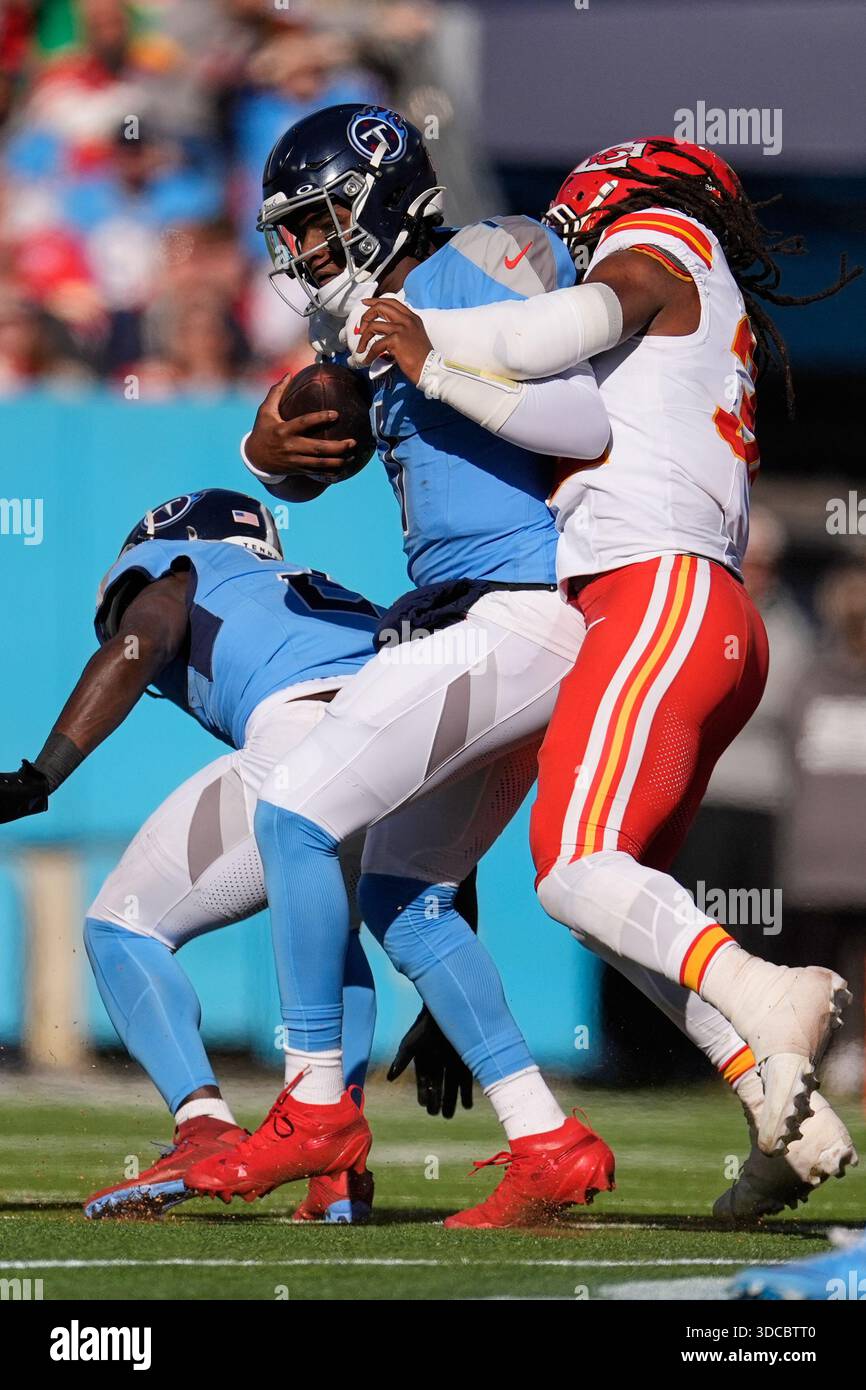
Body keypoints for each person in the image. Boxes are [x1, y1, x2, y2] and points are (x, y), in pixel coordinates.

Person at [349, 137, 861, 1209]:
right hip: (693, 611)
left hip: (653, 591)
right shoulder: (695, 297)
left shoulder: (659, 241)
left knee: (573, 865)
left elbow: (569, 324)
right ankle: (784, 1108)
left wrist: (428, 337)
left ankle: (776, 995)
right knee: (614, 905)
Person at [183, 103, 619, 1229]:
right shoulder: (378, 320)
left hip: (516, 614)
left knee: (294, 815)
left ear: (380, 198)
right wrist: (256, 451)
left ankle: (312, 1104)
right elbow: (299, 448)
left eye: (321, 225)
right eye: (294, 235)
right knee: (401, 896)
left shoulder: (466, 275)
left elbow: (579, 419)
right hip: (485, 627)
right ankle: (547, 1139)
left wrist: (429, 364)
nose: (307, 254)